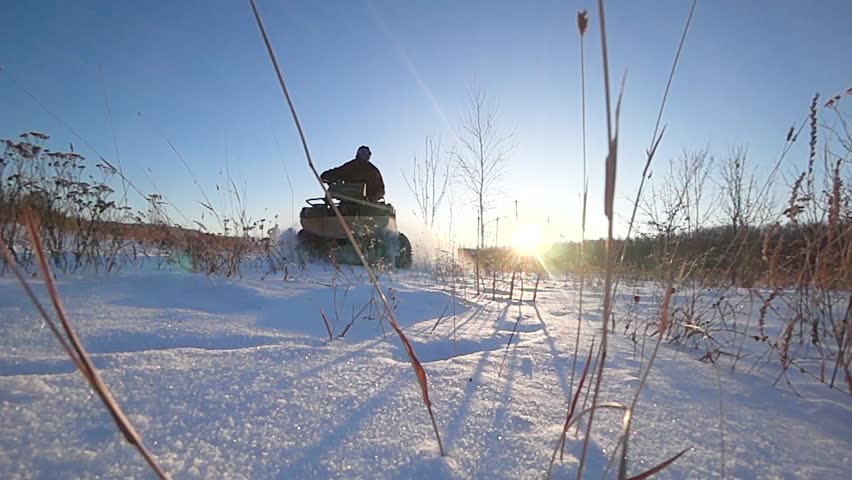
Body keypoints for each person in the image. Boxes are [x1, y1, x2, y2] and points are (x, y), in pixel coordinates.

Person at [320, 146, 386, 203]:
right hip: (347, 202)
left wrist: (371, 198)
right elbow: (337, 172)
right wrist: (326, 176)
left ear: (369, 155)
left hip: (367, 205)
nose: (364, 155)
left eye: (366, 153)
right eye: (362, 152)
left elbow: (381, 190)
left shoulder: (373, 171)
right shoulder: (349, 167)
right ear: (358, 154)